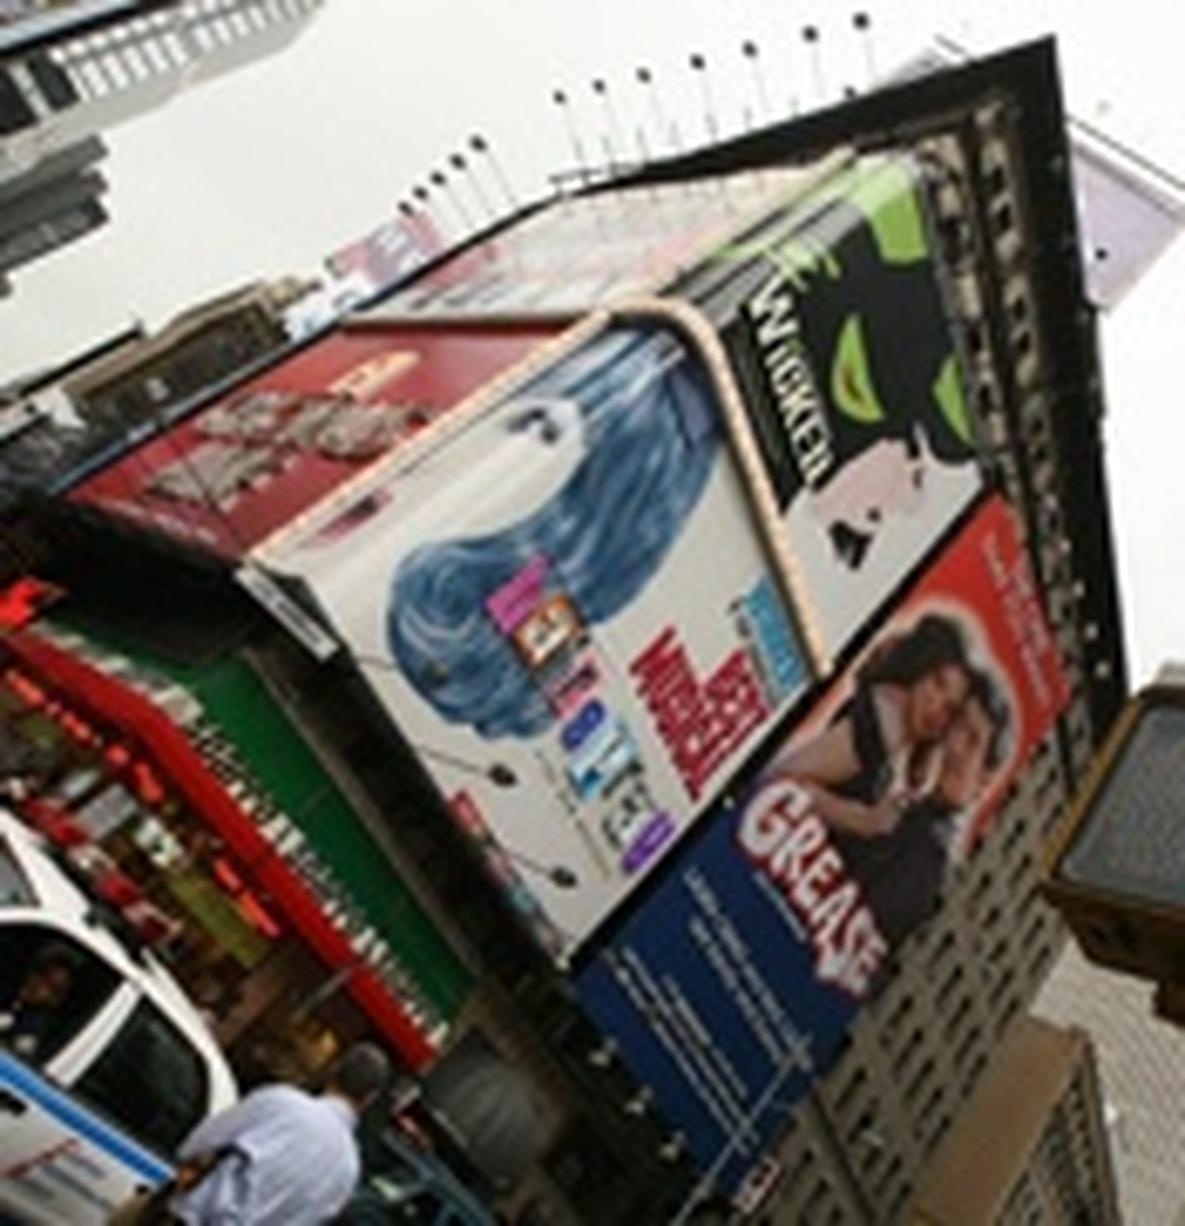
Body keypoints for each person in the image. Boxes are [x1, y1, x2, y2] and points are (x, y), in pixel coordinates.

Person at [829, 666, 1011, 948]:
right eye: (957, 723)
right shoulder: (892, 763)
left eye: (972, 739)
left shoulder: (925, 861)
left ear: (982, 782)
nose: (954, 745)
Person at [769, 613, 973, 838]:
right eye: (938, 683)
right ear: (921, 669)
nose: (936, 708)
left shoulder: (900, 735)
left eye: (950, 708)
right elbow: (785, 777)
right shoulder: (884, 723)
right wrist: (864, 821)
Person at [168, 1041, 392, 1226]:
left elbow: (203, 1139)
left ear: (334, 1070)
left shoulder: (280, 1102)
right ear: (370, 1098)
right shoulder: (348, 1171)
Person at [0, 942, 81, 1061]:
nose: (39, 984)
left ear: (56, 1000)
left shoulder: (32, 1029)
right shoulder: (6, 988)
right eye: (41, 973)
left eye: (51, 986)